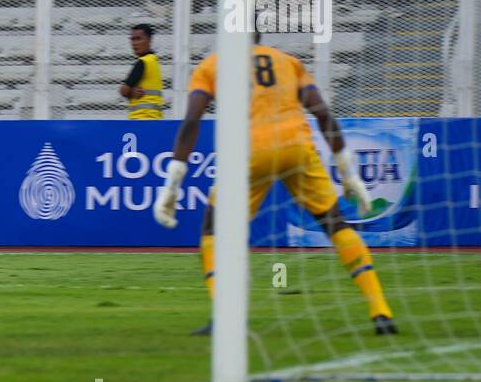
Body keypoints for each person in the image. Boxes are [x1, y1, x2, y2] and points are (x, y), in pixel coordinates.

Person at [154, 33, 397, 336]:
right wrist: (348, 173)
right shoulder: (288, 62)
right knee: (335, 224)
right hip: (297, 147)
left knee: (213, 231)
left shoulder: (213, 65)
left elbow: (192, 120)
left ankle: (225, 317)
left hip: (251, 151)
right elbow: (321, 111)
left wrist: (172, 183)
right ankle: (380, 311)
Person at [119, 24, 164, 119]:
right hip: (155, 119)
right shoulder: (154, 61)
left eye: (138, 39)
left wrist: (130, 92)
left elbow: (123, 91)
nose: (134, 43)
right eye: (132, 39)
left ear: (149, 40)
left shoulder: (143, 62)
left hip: (141, 118)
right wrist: (132, 92)